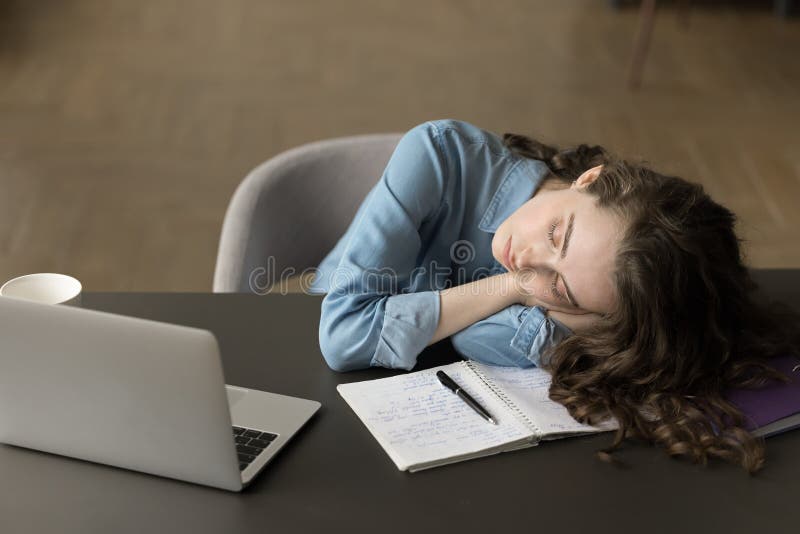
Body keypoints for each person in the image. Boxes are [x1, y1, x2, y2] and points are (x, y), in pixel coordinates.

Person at [308, 119, 799, 472]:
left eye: (559, 286)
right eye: (556, 234)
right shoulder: (438, 153)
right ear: (591, 178)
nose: (526, 261)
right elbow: (346, 335)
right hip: (311, 357)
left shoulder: (595, 300)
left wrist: (551, 306)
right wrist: (509, 288)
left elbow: (476, 343)